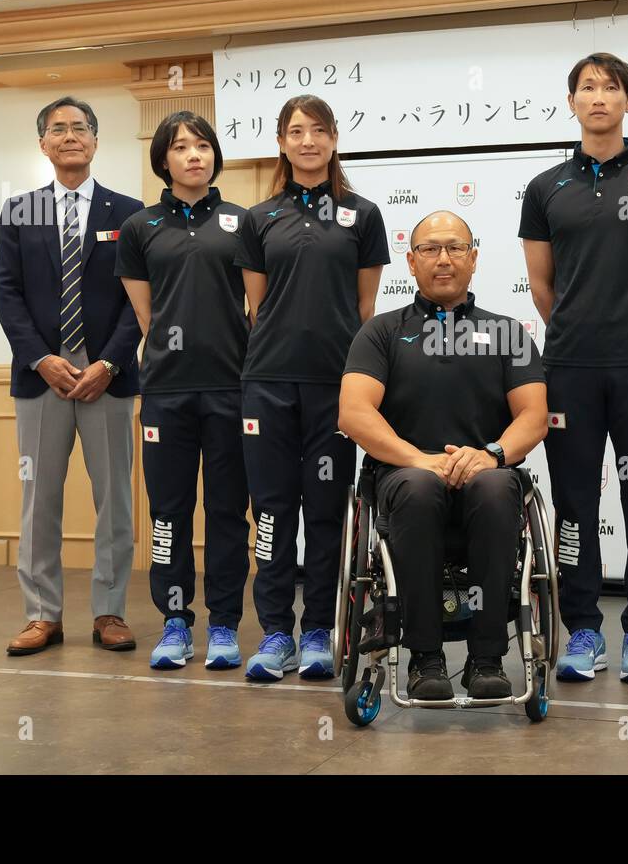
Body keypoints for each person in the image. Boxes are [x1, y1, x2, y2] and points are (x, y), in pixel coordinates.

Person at [519, 52, 628, 683]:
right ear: (572, 102)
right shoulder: (546, 189)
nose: (599, 97)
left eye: (611, 87)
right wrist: (577, 333)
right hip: (569, 368)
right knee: (573, 505)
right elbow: (543, 287)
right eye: (587, 87)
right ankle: (584, 631)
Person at [339, 211, 548, 700]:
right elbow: (353, 412)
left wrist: (492, 454)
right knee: (419, 486)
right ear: (410, 262)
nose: (444, 259)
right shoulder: (382, 333)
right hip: (405, 479)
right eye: (430, 249)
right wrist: (419, 458)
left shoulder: (508, 334)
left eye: (455, 247)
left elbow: (534, 417)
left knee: (497, 487)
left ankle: (487, 659)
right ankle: (425, 659)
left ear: (474, 259)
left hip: (487, 474)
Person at [235, 95, 389, 681]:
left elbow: (364, 306)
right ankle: (276, 634)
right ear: (280, 142)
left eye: (318, 131)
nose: (307, 141)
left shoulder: (363, 214)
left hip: (336, 385)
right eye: (295, 131)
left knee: (326, 511)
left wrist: (352, 376)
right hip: (268, 382)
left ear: (332, 140)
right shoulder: (259, 218)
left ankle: (320, 631)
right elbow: (258, 306)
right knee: (272, 511)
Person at [0, 96, 143, 657]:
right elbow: (6, 295)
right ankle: (41, 615)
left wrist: (109, 362)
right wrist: (42, 358)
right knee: (39, 501)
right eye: (57, 129)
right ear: (43, 144)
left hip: (107, 377)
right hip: (41, 380)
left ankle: (109, 611)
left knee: (115, 501)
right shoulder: (18, 211)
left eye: (79, 128)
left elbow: (140, 301)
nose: (69, 136)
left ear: (96, 141)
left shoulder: (129, 213)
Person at [115, 111, 251, 670]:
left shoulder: (246, 224)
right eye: (181, 147)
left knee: (226, 513)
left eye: (203, 145)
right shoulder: (139, 228)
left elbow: (255, 307)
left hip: (233, 389)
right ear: (163, 160)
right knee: (168, 514)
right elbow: (147, 317)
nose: (194, 155)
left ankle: (223, 624)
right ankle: (174, 620)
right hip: (167, 392)